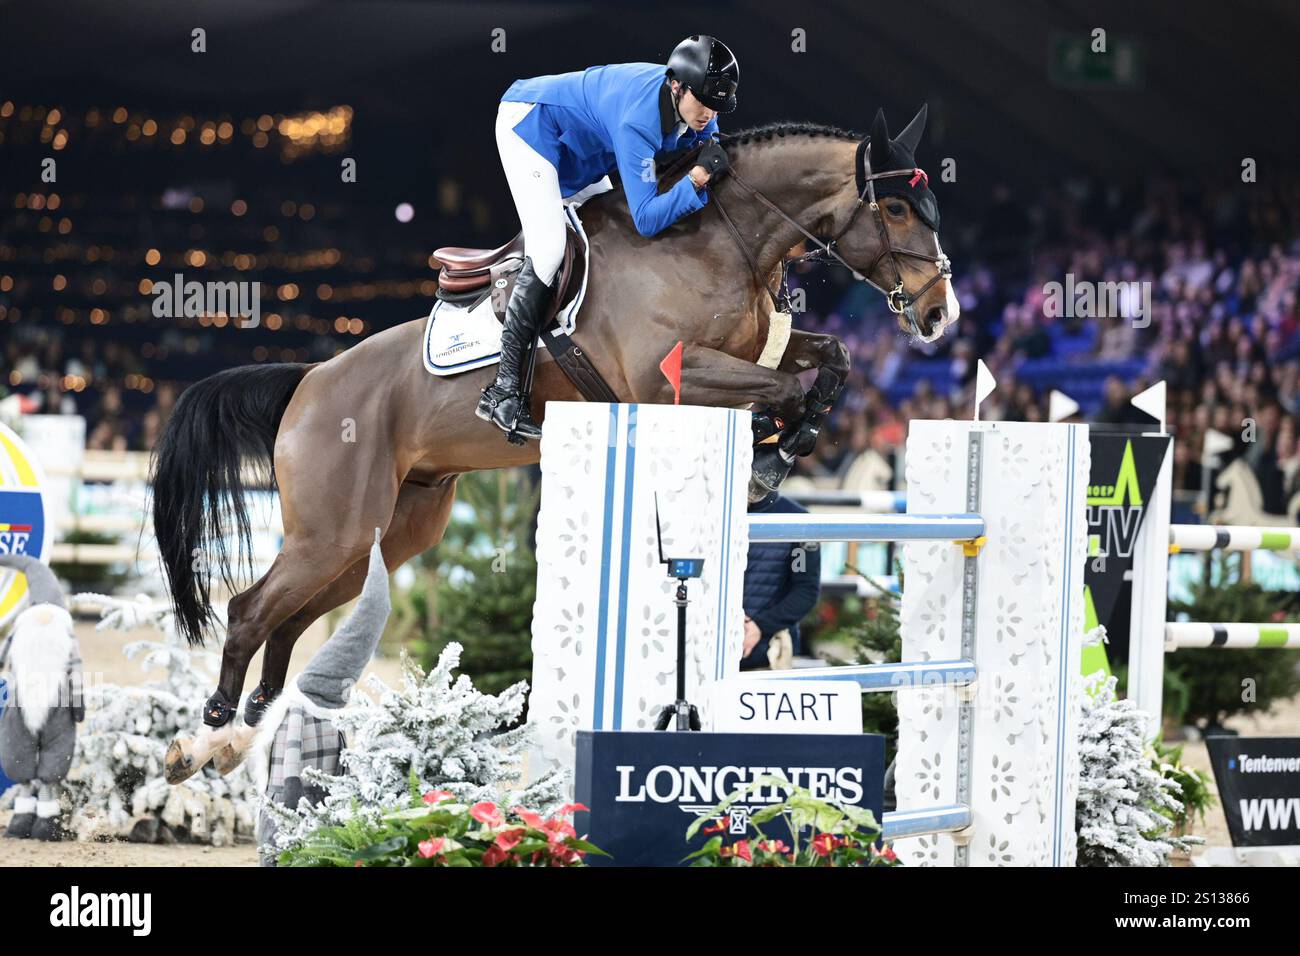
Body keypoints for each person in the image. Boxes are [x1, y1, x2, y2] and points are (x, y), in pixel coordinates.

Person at [477, 35, 740, 443]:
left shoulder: (696, 107)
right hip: (531, 129)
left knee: (614, 232)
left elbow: (710, 145)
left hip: (583, 149)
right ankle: (504, 390)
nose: (709, 114)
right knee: (549, 250)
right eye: (703, 102)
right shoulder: (639, 120)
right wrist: (696, 179)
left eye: (717, 106)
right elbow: (648, 219)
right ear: (676, 86)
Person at [741, 490, 822, 670]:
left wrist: (759, 626)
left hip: (767, 655)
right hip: (707, 647)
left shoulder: (798, 521)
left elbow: (805, 590)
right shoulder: (710, 511)